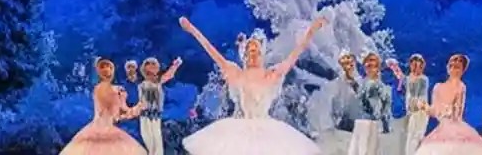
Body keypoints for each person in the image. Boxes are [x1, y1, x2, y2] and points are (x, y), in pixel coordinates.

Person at [179, 15, 326, 155]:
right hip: (239, 129)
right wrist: (192, 29)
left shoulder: (272, 74)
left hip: (268, 130)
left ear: (261, 53)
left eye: (256, 51)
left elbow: (296, 53)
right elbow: (211, 51)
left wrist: (311, 31)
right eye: (250, 51)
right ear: (245, 54)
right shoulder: (236, 73)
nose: (253, 54)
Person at [61, 59, 146, 155]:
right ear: (99, 72)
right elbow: (116, 115)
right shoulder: (101, 89)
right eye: (103, 68)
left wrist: (137, 107)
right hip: (100, 129)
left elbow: (123, 112)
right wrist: (135, 109)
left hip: (106, 128)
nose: (107, 70)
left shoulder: (117, 90)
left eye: (109, 68)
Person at [415, 54, 482, 155]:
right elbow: (434, 111)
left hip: (456, 127)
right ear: (447, 67)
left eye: (457, 67)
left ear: (463, 70)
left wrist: (448, 114)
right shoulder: (438, 87)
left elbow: (458, 113)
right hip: (442, 128)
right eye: (451, 66)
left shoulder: (461, 86)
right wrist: (425, 107)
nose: (454, 69)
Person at [136, 57, 182, 155]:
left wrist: (175, 65)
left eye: (154, 65)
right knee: (147, 137)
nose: (152, 68)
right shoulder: (142, 84)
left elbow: (169, 75)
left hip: (155, 114)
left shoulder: (158, 82)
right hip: (144, 114)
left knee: (156, 138)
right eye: (149, 66)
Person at [348, 53, 391, 155]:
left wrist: (385, 124)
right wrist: (353, 83)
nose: (371, 69)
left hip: (370, 122)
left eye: (374, 66)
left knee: (365, 150)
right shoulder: (364, 82)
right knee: (355, 149)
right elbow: (359, 96)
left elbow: (386, 103)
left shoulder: (379, 85)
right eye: (368, 66)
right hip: (360, 120)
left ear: (378, 68)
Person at [388, 54, 430, 155]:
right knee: (410, 137)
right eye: (413, 65)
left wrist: (417, 105)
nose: (416, 68)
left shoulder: (423, 79)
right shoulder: (409, 78)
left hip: (420, 112)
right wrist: (394, 67)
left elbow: (418, 95)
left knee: (416, 137)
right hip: (411, 112)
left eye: (418, 65)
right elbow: (401, 78)